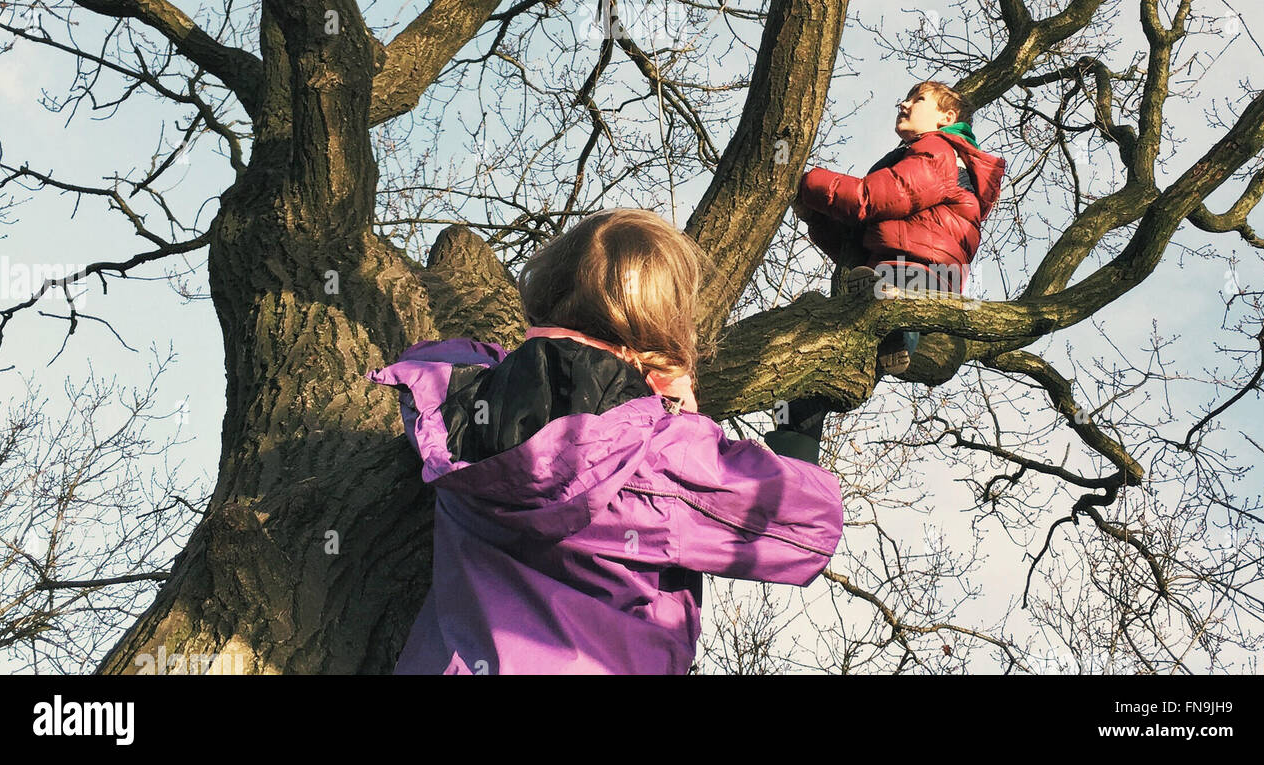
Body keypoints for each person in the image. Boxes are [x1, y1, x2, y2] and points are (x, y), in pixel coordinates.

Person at [367, 208, 843, 675]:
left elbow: (445, 362)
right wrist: (697, 419)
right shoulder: (656, 454)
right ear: (663, 337)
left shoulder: (454, 403)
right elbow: (807, 527)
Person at [783, 80, 1003, 435]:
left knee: (884, 292)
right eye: (905, 97)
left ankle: (896, 332)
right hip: (893, 270)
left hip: (920, 272)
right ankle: (794, 453)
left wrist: (805, 181)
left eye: (918, 100)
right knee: (809, 381)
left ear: (947, 117)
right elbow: (852, 244)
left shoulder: (938, 152)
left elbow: (869, 198)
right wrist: (815, 216)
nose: (904, 104)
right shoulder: (912, 157)